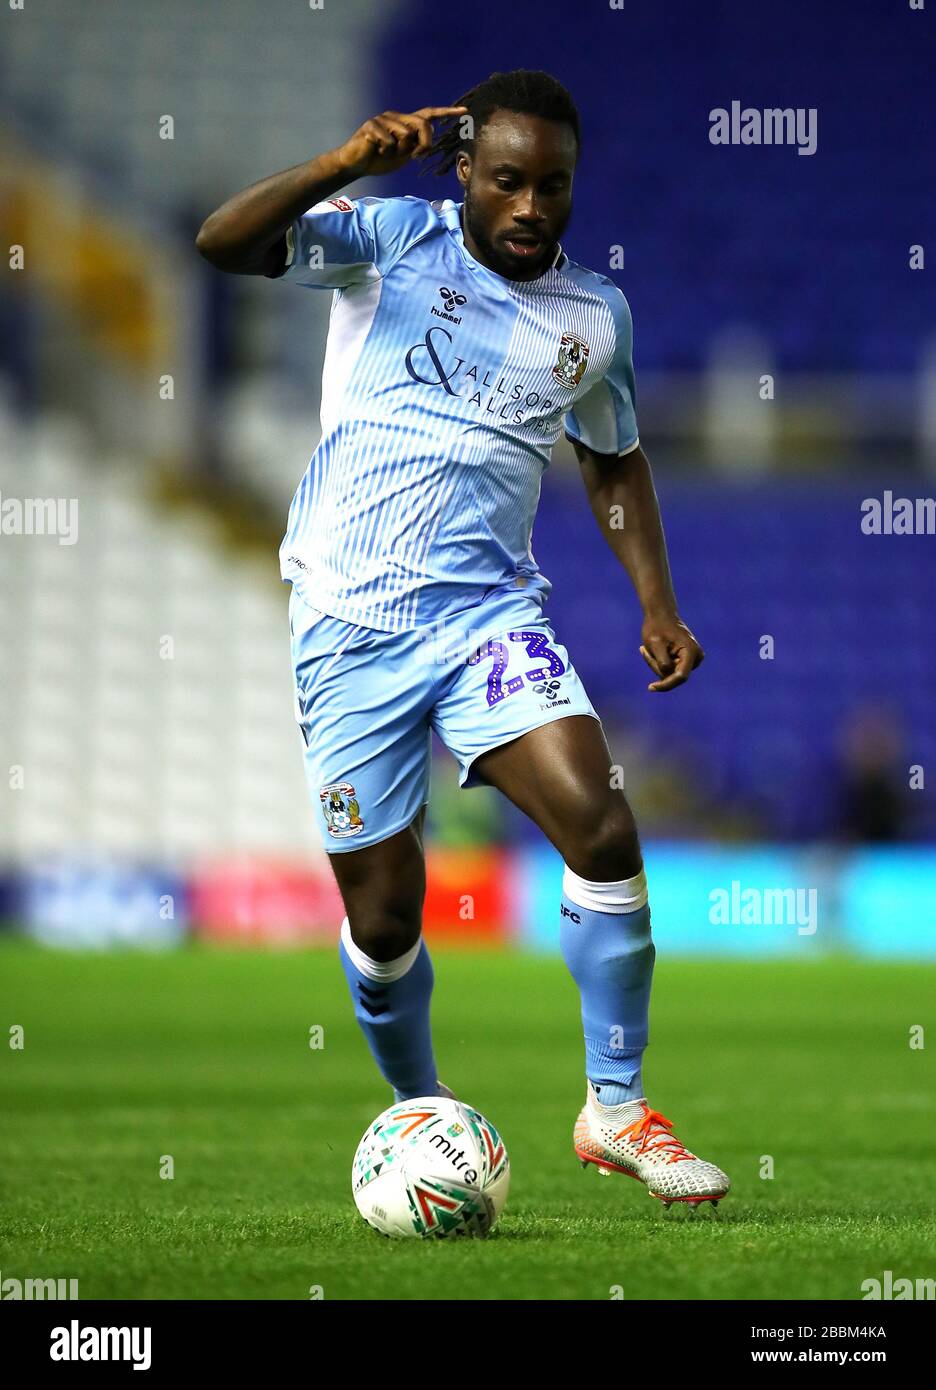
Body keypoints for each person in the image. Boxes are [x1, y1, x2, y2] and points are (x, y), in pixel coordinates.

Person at [196, 68, 728, 1207]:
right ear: (463, 173)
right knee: (385, 917)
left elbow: (611, 453)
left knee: (600, 819)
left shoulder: (593, 318)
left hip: (489, 616)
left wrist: (656, 601)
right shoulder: (386, 238)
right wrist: (342, 165)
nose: (531, 204)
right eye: (506, 180)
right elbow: (224, 244)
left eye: (553, 185)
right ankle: (419, 1115)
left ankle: (618, 1109)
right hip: (348, 626)